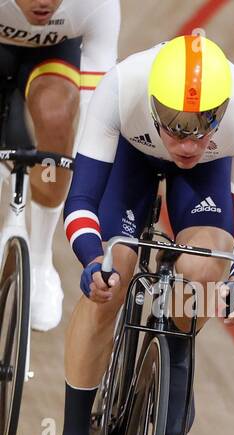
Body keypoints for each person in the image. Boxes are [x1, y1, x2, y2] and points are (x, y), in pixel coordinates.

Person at [41, 33, 234, 435]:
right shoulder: (121, 88)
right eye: (175, 128)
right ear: (153, 106)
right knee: (115, 269)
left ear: (223, 112)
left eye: (203, 127)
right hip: (129, 159)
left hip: (205, 180)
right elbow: (80, 202)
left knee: (209, 258)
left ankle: (178, 346)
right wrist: (90, 260)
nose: (187, 143)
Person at [0, 0, 120, 332]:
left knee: (57, 118)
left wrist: (71, 166)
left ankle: (39, 261)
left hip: (52, 56)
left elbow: (97, 101)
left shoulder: (95, 5)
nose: (43, 3)